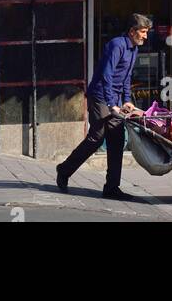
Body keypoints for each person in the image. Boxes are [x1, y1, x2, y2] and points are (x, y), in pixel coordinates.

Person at [56, 13, 152, 200]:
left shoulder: (133, 49)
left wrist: (126, 100)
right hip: (100, 96)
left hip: (115, 98)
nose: (145, 36)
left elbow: (126, 78)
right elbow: (106, 76)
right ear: (132, 31)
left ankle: (111, 188)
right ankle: (64, 170)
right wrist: (110, 103)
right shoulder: (117, 45)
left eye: (146, 32)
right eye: (143, 32)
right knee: (97, 138)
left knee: (116, 141)